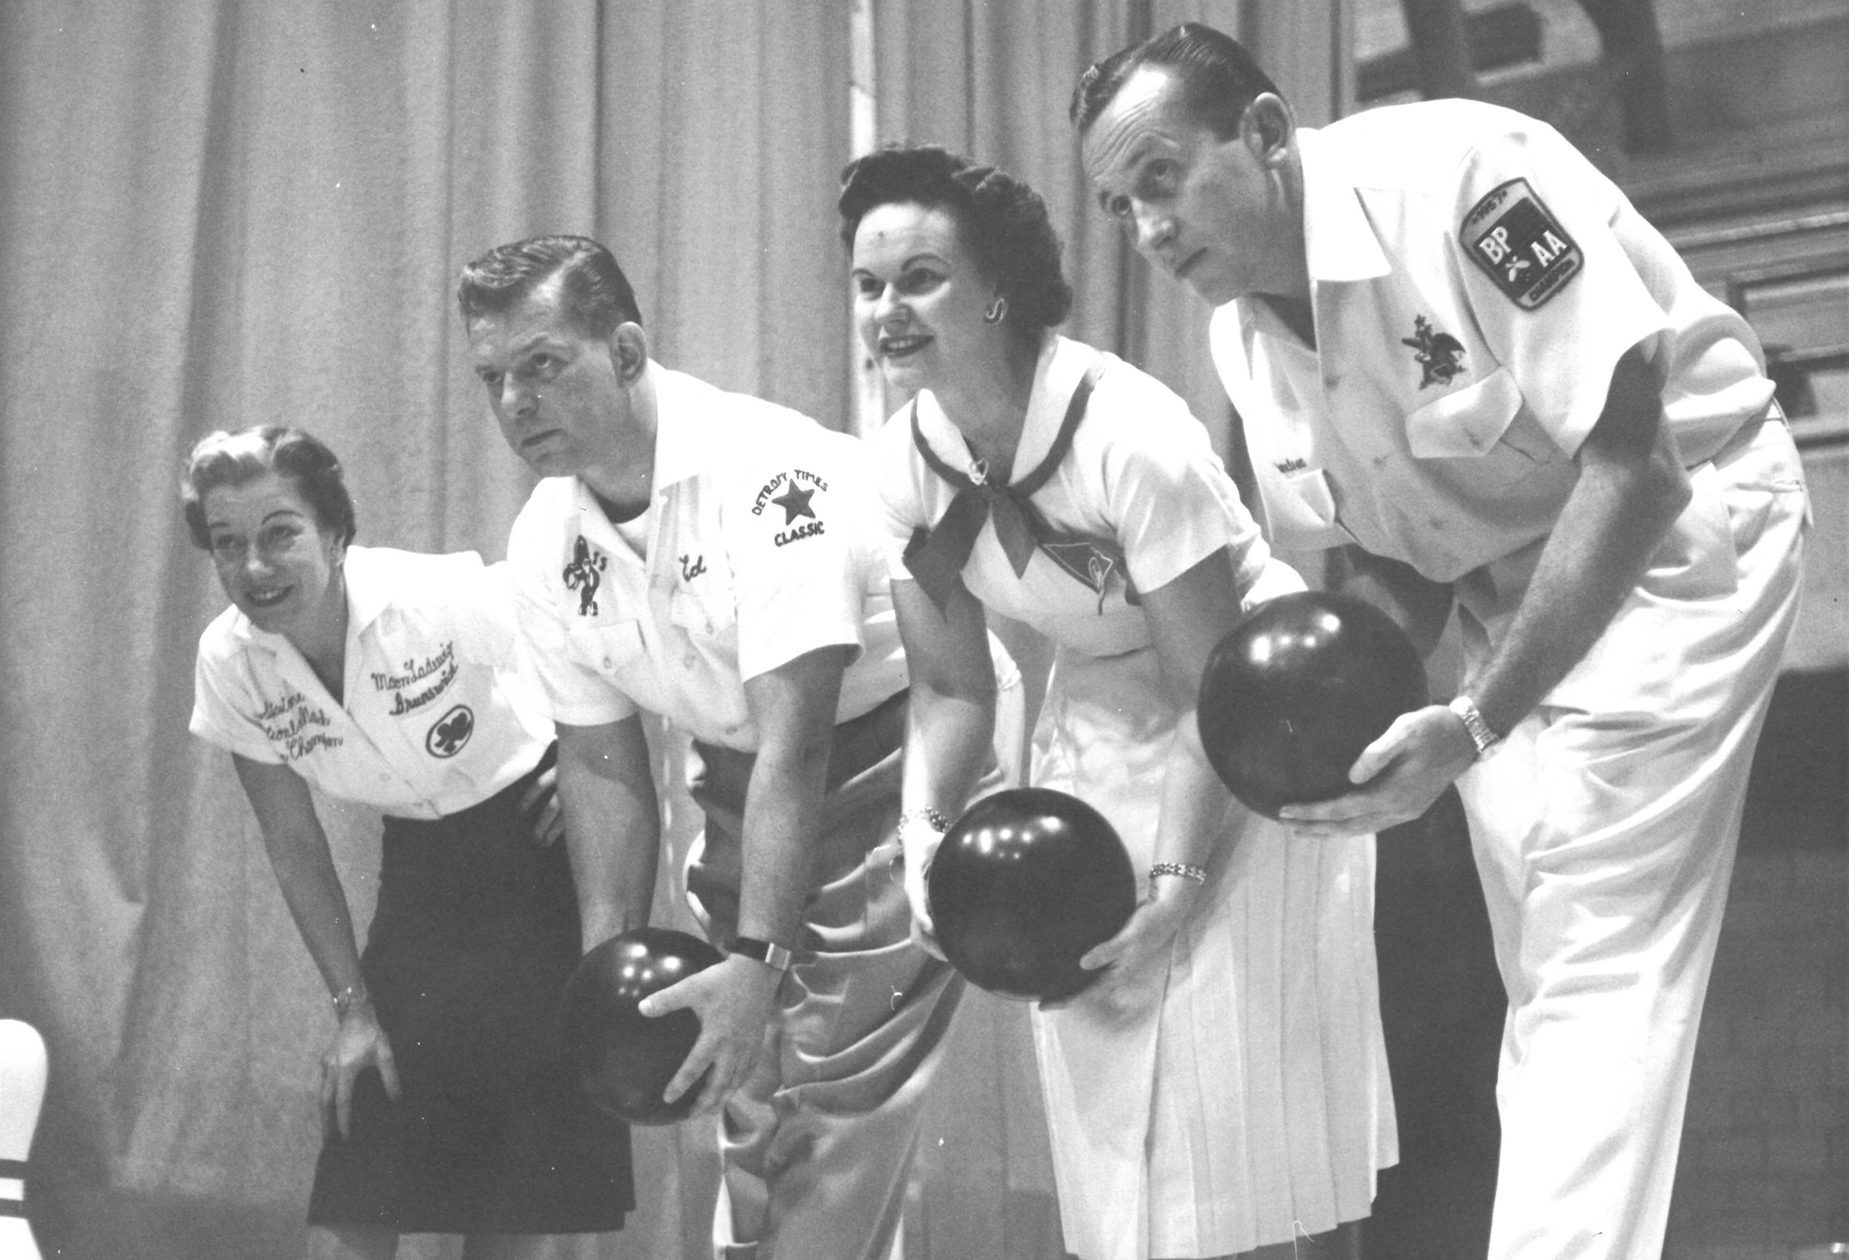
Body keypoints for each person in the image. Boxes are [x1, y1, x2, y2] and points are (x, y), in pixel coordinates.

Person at [1073, 23, 1812, 1260]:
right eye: (1117, 205)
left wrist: (1471, 722)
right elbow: (1387, 568)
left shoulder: (1471, 182)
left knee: (1595, 955)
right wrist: (1330, 720)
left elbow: (1637, 466)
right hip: (1502, 608)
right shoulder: (1239, 341)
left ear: (1262, 134)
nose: (1146, 229)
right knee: (1549, 982)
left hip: (1684, 537)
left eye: (1160, 177)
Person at [841, 143, 1397, 1260]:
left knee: (1252, 1129)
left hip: (1258, 731)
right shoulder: (902, 464)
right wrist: (926, 842)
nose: (887, 311)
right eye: (868, 285)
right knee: (1125, 1146)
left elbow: (1209, 693)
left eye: (921, 278)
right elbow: (951, 689)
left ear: (998, 287)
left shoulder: (1128, 435)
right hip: (1095, 737)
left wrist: (1178, 890)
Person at [456, 234, 997, 1260]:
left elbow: (800, 745)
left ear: (622, 350)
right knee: (741, 1090)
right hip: (743, 775)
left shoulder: (768, 475)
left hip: (888, 755)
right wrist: (602, 973)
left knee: (838, 1096)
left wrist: (756, 959)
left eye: (541, 365)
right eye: (493, 378)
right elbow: (603, 767)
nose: (515, 404)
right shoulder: (544, 539)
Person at [183, 426, 631, 1260]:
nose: (255, 568)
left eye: (280, 533)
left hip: (540, 864)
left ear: (334, 532)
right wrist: (352, 1009)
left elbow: (602, 640)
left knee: (516, 1201)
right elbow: (293, 845)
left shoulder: (436, 599)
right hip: (423, 874)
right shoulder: (230, 662)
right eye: (228, 543)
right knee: (365, 1149)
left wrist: (591, 770)